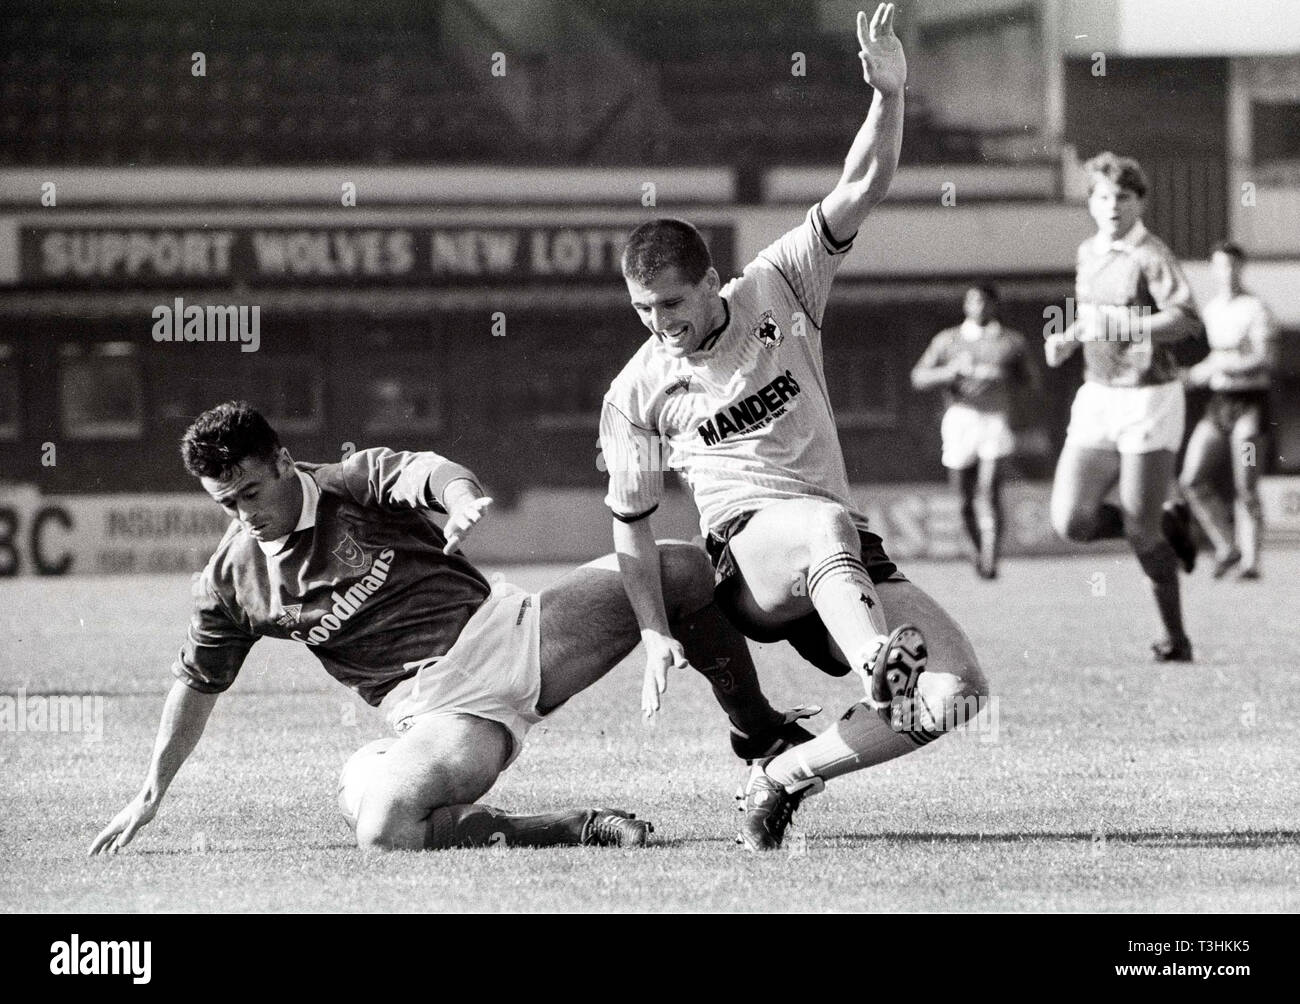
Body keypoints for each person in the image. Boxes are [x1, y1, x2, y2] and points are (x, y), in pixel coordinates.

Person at [599, 4, 988, 852]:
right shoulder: (636, 391)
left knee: (957, 693)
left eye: (670, 302)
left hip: (841, 555)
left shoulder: (778, 287)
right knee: (821, 526)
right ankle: (879, 671)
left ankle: (782, 775)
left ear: (711, 282)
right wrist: (657, 631)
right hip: (751, 559)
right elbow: (629, 527)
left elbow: (860, 186)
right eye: (641, 308)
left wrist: (887, 98)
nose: (658, 321)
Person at [89, 401, 799, 855]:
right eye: (225, 503)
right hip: (442, 712)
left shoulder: (349, 481)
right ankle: (573, 826)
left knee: (681, 568)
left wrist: (459, 500)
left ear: (281, 462)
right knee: (384, 829)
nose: (244, 514)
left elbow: (428, 472)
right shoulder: (230, 581)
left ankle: (758, 732)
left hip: (522, 633)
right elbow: (196, 683)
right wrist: (151, 792)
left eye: (251, 492)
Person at [1044, 152, 1202, 662]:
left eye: (1124, 197)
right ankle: (1168, 524)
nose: (1113, 206)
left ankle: (1175, 640)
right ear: (1091, 202)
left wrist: (1126, 328)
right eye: (1104, 197)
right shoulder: (1088, 252)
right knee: (1071, 521)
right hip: (1098, 395)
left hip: (1149, 398)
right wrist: (1067, 338)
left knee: (1139, 531)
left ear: (1140, 203)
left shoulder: (1151, 254)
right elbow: (1093, 315)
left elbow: (1185, 318)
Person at [911, 284, 1036, 579]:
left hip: (994, 419)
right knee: (964, 498)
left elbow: (1030, 381)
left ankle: (992, 557)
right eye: (973, 300)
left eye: (984, 301)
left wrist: (1005, 378)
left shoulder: (1010, 341)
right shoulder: (948, 340)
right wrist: (948, 373)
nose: (979, 306)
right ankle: (978, 551)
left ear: (994, 305)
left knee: (989, 489)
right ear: (966, 305)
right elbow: (918, 376)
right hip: (960, 419)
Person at [1180, 242, 1278, 580]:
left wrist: (1226, 367)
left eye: (1233, 266)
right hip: (1219, 405)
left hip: (1250, 405)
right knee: (1191, 479)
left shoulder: (1256, 309)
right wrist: (1191, 376)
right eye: (1221, 266)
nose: (1227, 273)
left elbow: (1266, 359)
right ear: (1213, 269)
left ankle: (1252, 562)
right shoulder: (1212, 310)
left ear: (1242, 268)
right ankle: (1227, 546)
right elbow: (1214, 360)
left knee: (1246, 486)